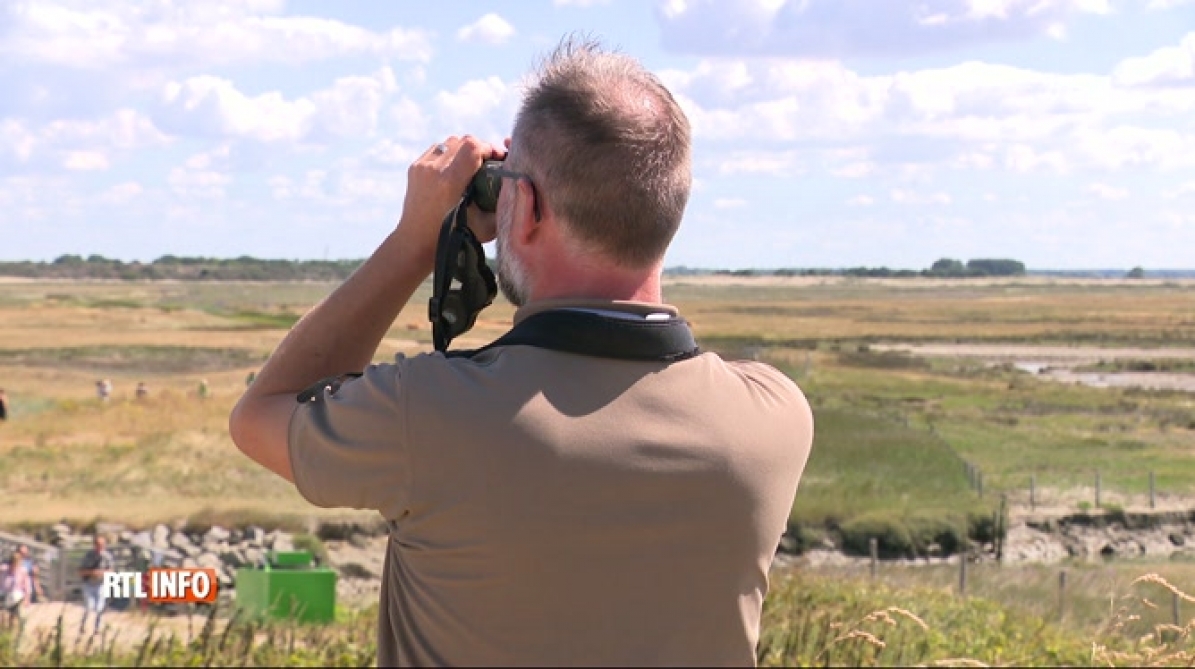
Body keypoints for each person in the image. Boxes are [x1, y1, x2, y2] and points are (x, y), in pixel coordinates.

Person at [229, 36, 814, 666]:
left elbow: (260, 414)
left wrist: (412, 244)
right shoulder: (773, 417)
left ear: (525, 206)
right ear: (668, 213)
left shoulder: (427, 415)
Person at [78, 535, 113, 636]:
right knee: (89, 606)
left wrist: (102, 572)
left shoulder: (107, 556)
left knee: (99, 608)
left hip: (101, 584)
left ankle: (97, 628)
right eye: (98, 545)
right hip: (89, 584)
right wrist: (92, 572)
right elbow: (80, 571)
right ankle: (83, 625)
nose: (100, 547)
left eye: (102, 545)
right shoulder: (88, 556)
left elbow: (111, 570)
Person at [0, 552, 32, 632]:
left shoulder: (22, 571)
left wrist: (27, 598)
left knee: (14, 616)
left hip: (16, 596)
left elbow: (27, 586)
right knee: (3, 615)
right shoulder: (3, 569)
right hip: (4, 594)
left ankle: (11, 632)